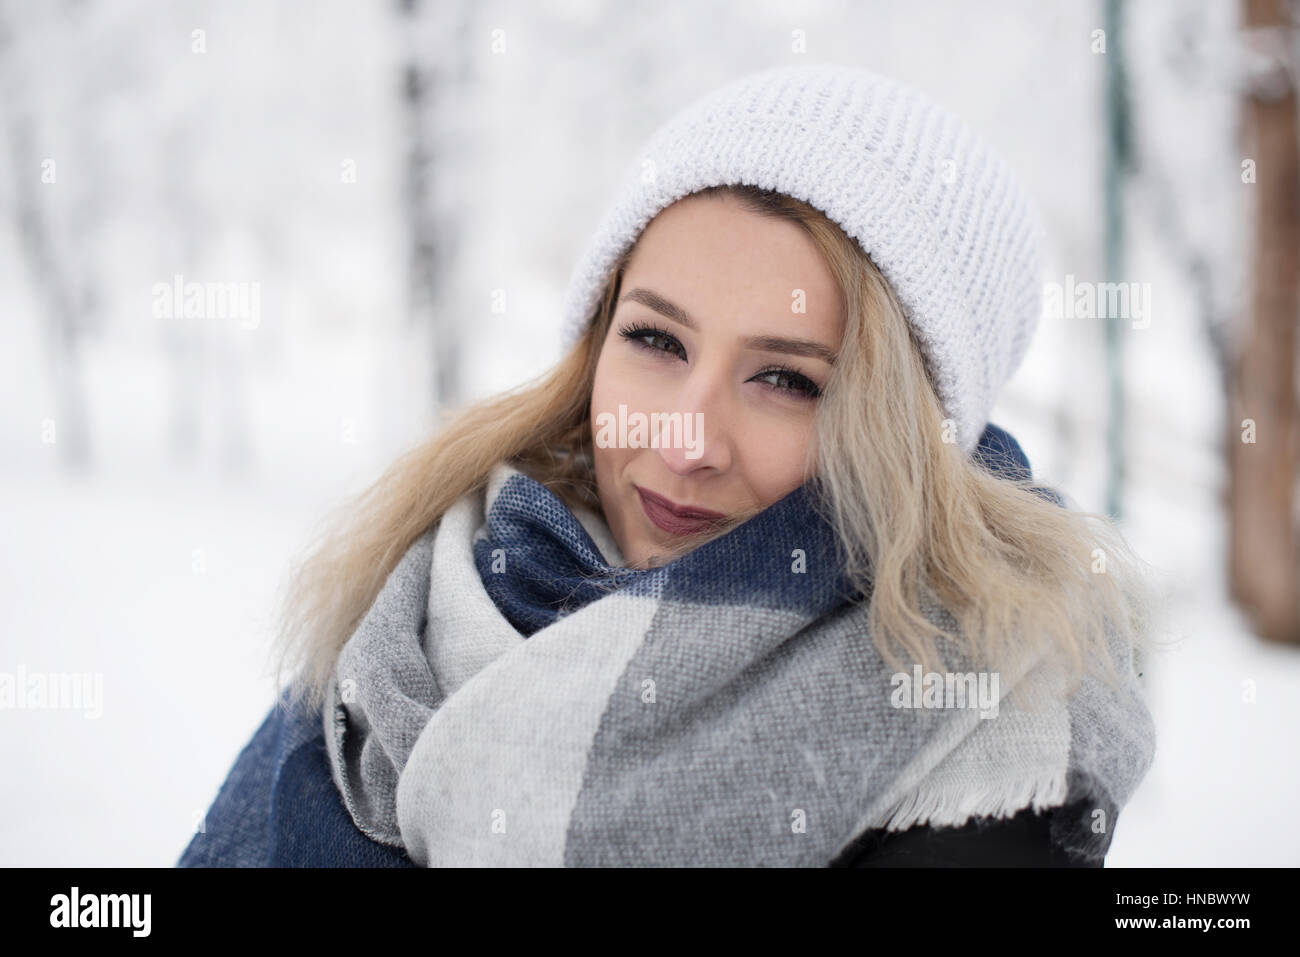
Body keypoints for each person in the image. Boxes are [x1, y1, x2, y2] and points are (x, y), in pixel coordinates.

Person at [179, 63, 1157, 868]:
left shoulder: (969, 724)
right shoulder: (414, 623)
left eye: (786, 378)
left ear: (906, 432)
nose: (685, 440)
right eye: (655, 340)